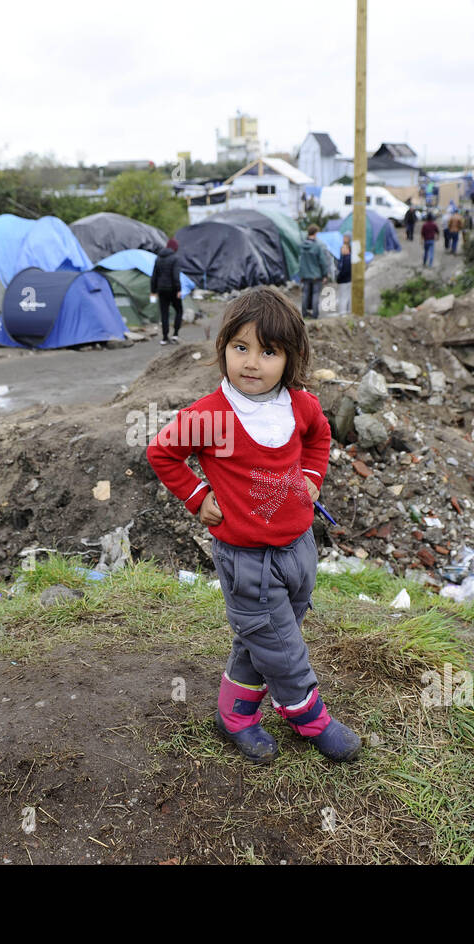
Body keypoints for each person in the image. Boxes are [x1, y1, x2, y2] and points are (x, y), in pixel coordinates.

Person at [146, 288, 362, 764]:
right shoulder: (212, 416)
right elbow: (161, 452)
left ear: (290, 358)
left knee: (263, 640)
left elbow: (319, 436)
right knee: (282, 648)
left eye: (269, 351)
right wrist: (197, 495)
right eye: (240, 347)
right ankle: (310, 718)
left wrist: (310, 476)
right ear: (223, 347)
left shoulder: (300, 405)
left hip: (299, 547)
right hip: (247, 557)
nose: (252, 362)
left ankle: (236, 715)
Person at [151, 238, 184, 344]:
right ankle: (175, 335)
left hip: (161, 290)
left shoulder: (158, 258)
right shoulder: (175, 258)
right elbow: (176, 276)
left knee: (164, 313)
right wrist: (178, 289)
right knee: (179, 310)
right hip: (173, 290)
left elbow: (154, 276)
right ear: (175, 248)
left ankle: (165, 338)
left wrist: (153, 290)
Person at [298, 225, 330, 319]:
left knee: (305, 294)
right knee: (315, 294)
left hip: (305, 275)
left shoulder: (302, 246)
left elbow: (300, 261)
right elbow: (322, 262)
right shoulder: (317, 246)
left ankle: (304, 313)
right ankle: (315, 314)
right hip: (316, 275)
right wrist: (325, 274)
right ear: (315, 233)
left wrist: (301, 274)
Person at [335, 232, 352, 315]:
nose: (342, 250)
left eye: (343, 249)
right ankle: (347, 311)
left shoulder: (347, 258)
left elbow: (345, 270)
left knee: (344, 297)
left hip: (345, 280)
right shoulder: (344, 257)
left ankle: (343, 312)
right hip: (347, 279)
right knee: (347, 296)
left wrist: (339, 278)